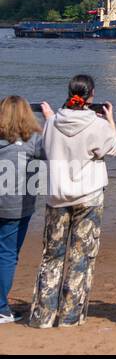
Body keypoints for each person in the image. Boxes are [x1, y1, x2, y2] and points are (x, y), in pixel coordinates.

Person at [29, 74, 116, 328]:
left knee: (51, 256)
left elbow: (47, 149)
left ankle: (43, 316)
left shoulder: (53, 121)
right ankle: (70, 316)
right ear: (91, 96)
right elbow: (113, 149)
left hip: (57, 195)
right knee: (80, 256)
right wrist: (110, 120)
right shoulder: (96, 124)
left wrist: (50, 120)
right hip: (88, 196)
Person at [0, 96, 46, 324]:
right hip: (15, 208)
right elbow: (53, 152)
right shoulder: (33, 140)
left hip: (11, 205)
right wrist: (52, 121)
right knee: (7, 255)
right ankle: (0, 308)